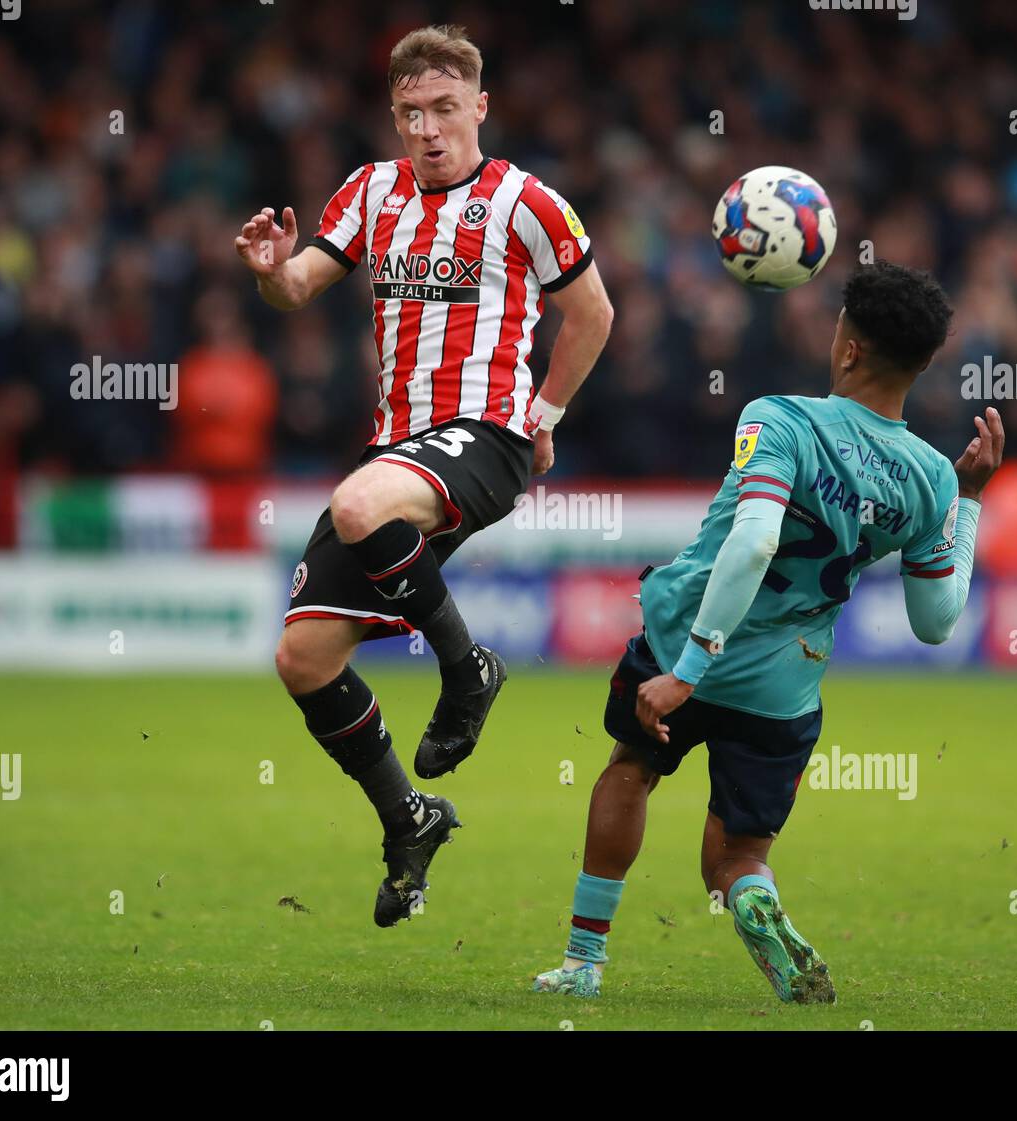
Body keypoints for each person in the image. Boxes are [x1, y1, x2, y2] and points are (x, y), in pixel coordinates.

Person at [534, 261, 1003, 1001]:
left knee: (631, 768)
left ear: (848, 349)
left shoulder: (778, 418)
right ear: (923, 361)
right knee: (737, 855)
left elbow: (752, 543)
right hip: (788, 679)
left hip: (685, 643)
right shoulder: (931, 477)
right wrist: (970, 499)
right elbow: (937, 622)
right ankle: (753, 895)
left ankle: (583, 962)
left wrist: (689, 668)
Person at [234, 24, 613, 928]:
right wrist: (268, 273)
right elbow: (299, 287)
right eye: (411, 112)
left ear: (479, 106)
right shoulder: (370, 191)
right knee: (301, 658)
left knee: (358, 502)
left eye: (445, 109)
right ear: (395, 116)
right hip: (398, 448)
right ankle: (409, 818)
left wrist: (543, 416)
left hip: (486, 434)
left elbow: (592, 315)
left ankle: (466, 668)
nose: (428, 128)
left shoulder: (528, 202)